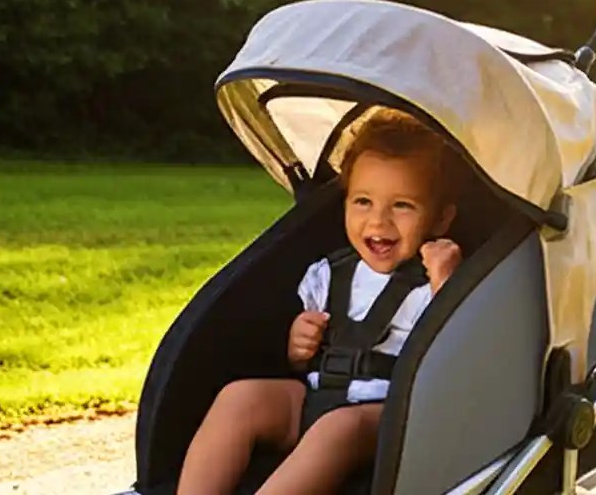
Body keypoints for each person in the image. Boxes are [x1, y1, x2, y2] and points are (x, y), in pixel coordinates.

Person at [177, 108, 469, 495]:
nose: (378, 222)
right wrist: (300, 346)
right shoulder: (328, 273)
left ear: (440, 219)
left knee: (338, 428)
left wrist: (446, 282)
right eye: (363, 202)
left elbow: (458, 364)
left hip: (386, 417)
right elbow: (303, 362)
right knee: (240, 397)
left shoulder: (437, 283)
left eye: (402, 206)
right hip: (317, 396)